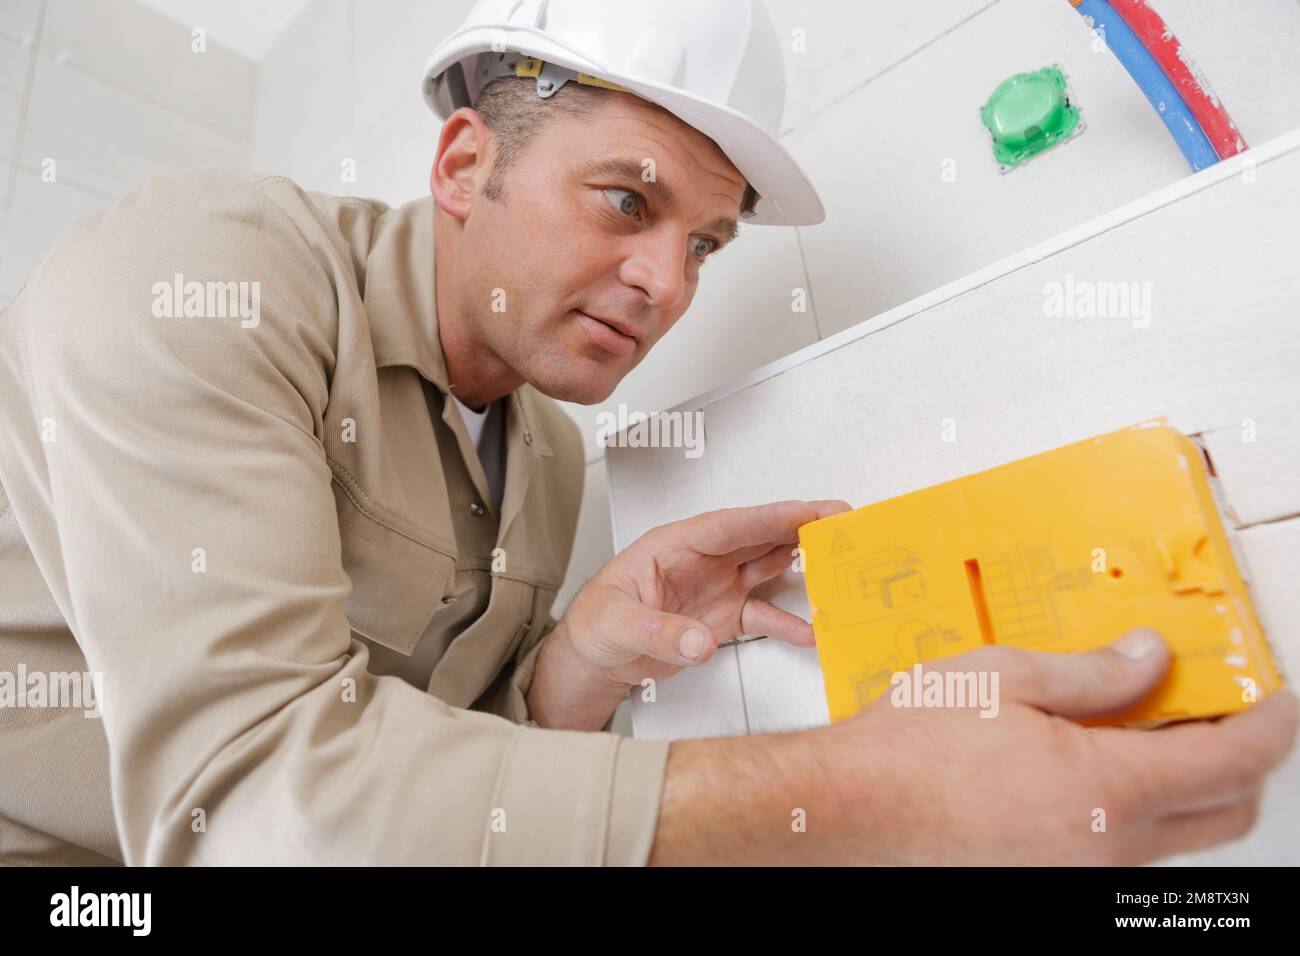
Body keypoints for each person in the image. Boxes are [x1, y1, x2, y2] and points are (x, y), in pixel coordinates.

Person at [0, 0, 1293, 865]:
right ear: (462, 166)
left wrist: (583, 656)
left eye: (705, 247)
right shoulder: (204, 269)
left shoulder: (551, 451)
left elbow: (478, 757)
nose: (667, 287)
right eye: (626, 201)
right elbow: (251, 801)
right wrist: (869, 795)